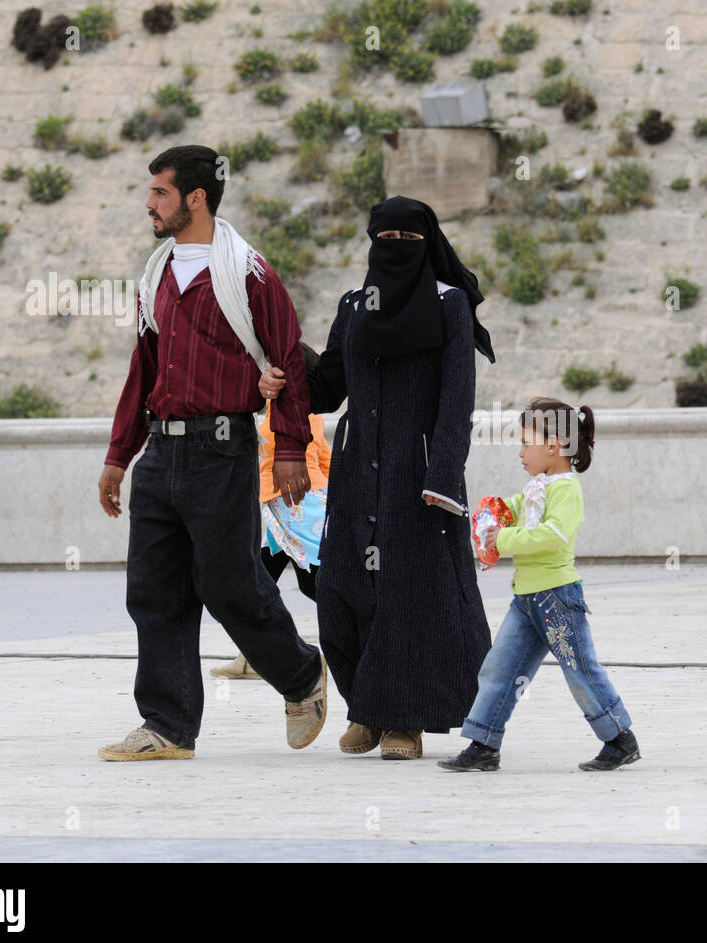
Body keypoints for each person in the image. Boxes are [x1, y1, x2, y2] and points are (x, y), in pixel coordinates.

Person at [96, 144, 327, 761]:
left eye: (161, 193)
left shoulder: (249, 273)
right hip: (160, 456)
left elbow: (287, 364)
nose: (149, 204)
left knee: (228, 586)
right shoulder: (156, 274)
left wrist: (290, 450)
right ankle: (167, 727)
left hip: (222, 452)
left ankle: (302, 675)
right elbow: (142, 370)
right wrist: (120, 455)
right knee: (153, 592)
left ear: (195, 198)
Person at [259, 195, 494, 760]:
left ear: (425, 243)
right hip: (357, 471)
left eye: (405, 241)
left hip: (418, 476)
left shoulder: (448, 305)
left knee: (409, 596)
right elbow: (328, 385)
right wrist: (281, 382)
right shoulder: (354, 305)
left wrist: (442, 477)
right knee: (343, 591)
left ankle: (403, 723)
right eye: (382, 239)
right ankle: (364, 707)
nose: (392, 250)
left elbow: (458, 396)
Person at [438, 398, 640, 772]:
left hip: (558, 598)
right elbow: (514, 507)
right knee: (499, 668)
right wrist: (491, 512)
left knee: (579, 669)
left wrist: (503, 539)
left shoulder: (565, 489)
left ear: (553, 446)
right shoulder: (539, 486)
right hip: (527, 600)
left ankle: (619, 738)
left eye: (525, 442)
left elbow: (553, 534)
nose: (520, 452)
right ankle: (483, 742)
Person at [213, 343, 331, 680]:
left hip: (294, 510)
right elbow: (324, 459)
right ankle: (253, 656)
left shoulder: (286, 415)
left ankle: (356, 638)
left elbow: (298, 461)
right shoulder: (306, 413)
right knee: (255, 583)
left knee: (310, 584)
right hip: (284, 512)